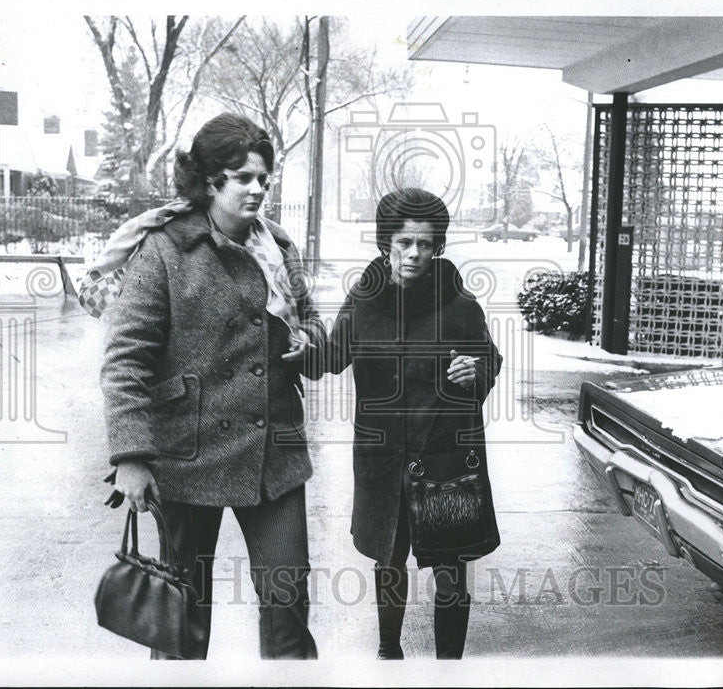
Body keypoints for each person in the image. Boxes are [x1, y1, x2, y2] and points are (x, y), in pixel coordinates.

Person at [100, 113, 322, 659]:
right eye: (241, 176)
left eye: (263, 179)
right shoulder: (166, 251)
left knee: (288, 597)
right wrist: (131, 456)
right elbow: (126, 360)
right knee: (182, 611)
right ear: (208, 180)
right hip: (185, 453)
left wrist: (309, 341)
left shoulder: (279, 248)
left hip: (273, 453)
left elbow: (314, 321)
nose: (256, 190)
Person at [307, 188, 502, 659]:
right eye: (404, 243)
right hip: (386, 458)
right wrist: (293, 342)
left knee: (450, 569)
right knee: (389, 561)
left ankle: (447, 668)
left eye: (426, 244)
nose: (415, 253)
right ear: (385, 244)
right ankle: (388, 654)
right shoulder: (365, 300)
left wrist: (476, 371)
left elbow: (489, 360)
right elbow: (330, 358)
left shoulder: (458, 302)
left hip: (445, 458)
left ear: (438, 248)